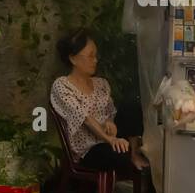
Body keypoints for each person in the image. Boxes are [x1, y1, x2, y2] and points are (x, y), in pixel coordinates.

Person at [50, 29, 148, 172]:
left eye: (95, 55)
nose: (95, 60)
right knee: (117, 155)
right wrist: (111, 140)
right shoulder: (62, 86)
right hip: (89, 149)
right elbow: (85, 118)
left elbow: (111, 113)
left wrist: (110, 122)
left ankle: (134, 153)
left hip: (110, 139)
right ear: (73, 59)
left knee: (131, 103)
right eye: (90, 56)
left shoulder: (101, 84)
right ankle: (128, 155)